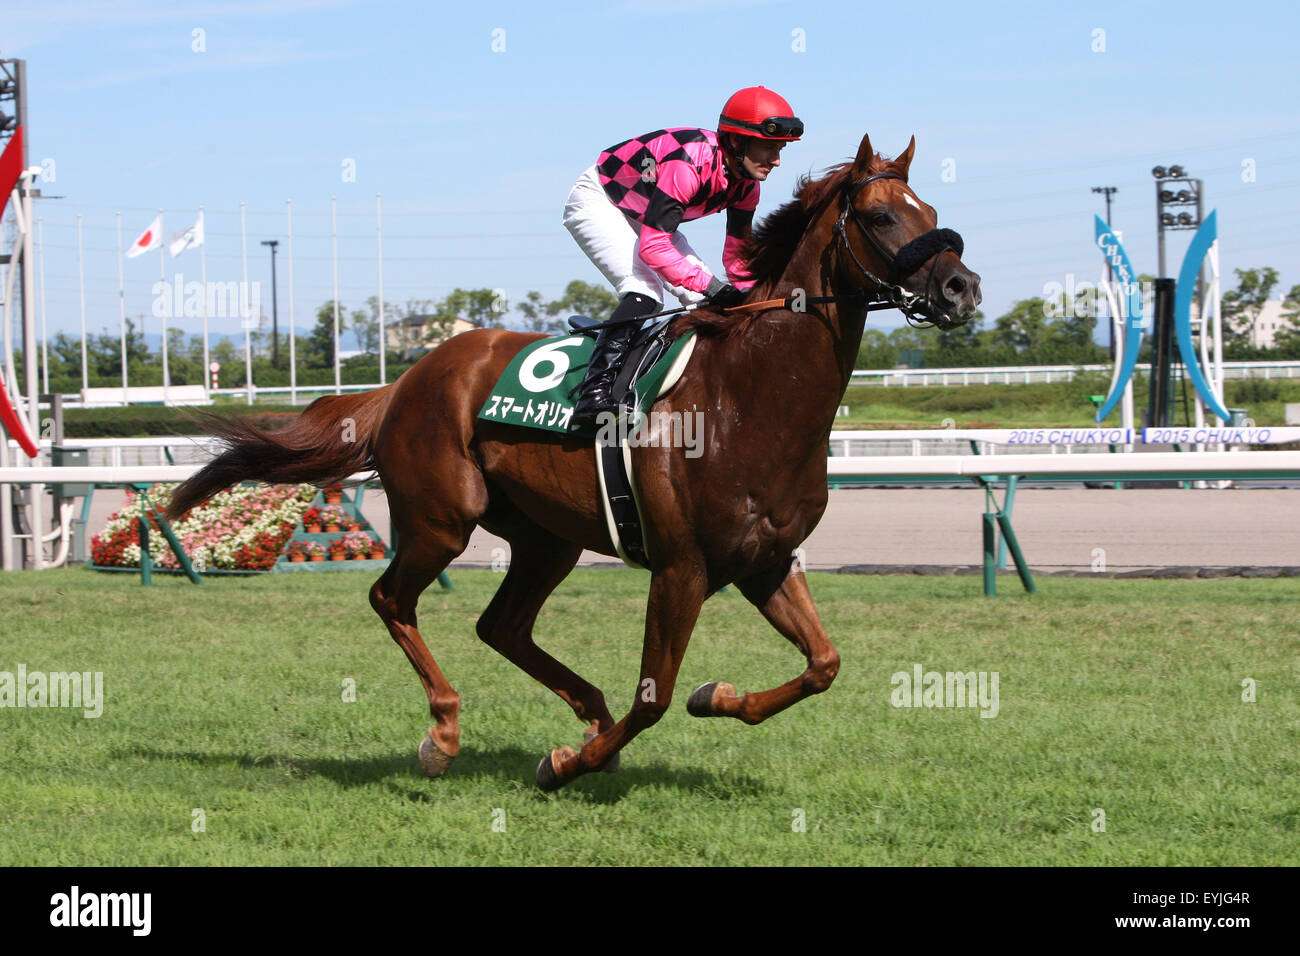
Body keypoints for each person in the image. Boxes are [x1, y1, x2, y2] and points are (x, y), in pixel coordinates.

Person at [562, 85, 803, 429]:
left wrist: (756, 296)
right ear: (736, 142)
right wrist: (714, 287)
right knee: (644, 291)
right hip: (600, 200)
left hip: (648, 213)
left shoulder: (748, 185)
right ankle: (594, 395)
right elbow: (654, 248)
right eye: (769, 147)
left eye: (779, 149)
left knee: (704, 302)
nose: (776, 160)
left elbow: (737, 258)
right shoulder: (689, 162)